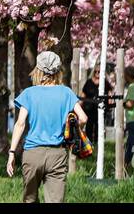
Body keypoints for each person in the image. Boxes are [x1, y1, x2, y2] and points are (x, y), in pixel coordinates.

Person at [6, 51, 87, 203]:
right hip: (57, 154)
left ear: (38, 70)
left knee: (29, 199)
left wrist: (11, 152)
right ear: (58, 71)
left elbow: (20, 123)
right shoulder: (66, 92)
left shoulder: (29, 93)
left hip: (32, 153)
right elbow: (83, 118)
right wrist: (72, 129)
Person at [81, 67, 102, 144]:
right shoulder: (89, 82)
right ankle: (89, 142)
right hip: (88, 108)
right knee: (89, 126)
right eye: (96, 71)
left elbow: (109, 93)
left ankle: (97, 142)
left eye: (99, 71)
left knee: (98, 126)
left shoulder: (104, 82)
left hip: (99, 109)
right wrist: (80, 104)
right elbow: (83, 94)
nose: (97, 73)